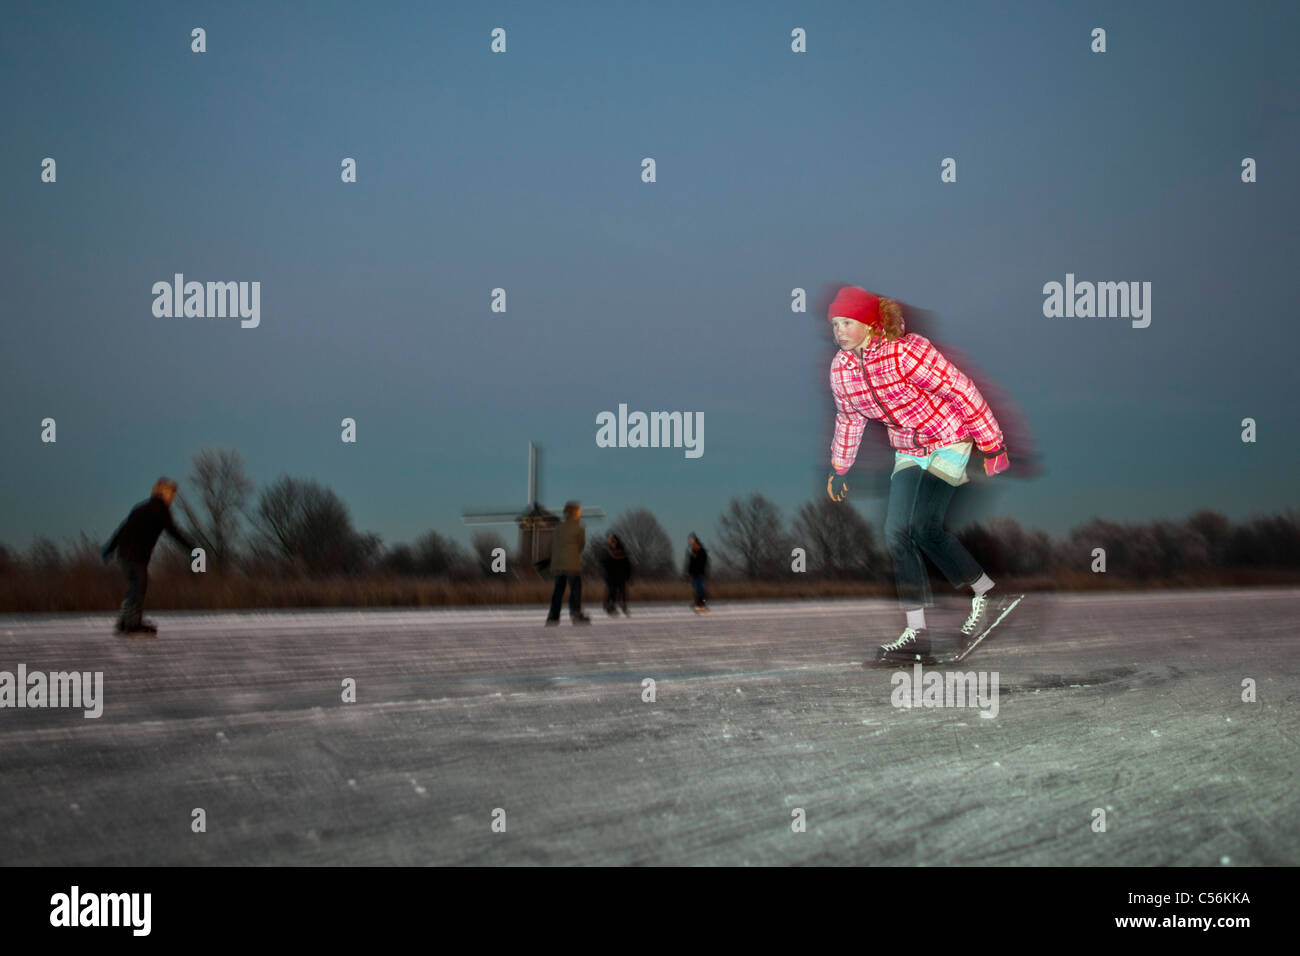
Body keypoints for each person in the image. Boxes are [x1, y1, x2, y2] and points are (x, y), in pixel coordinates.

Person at [825, 286, 1015, 665]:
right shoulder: (842, 371)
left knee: (924, 527)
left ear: (870, 323)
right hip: (909, 449)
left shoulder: (907, 351)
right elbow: (849, 420)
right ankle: (917, 636)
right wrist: (840, 468)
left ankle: (986, 594)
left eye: (848, 322)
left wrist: (992, 444)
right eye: (835, 324)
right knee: (897, 531)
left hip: (949, 439)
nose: (839, 331)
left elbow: (960, 389)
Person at [101, 477, 196, 635]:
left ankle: (125, 623)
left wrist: (110, 548)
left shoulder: (141, 508)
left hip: (124, 555)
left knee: (135, 587)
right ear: (164, 493)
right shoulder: (160, 509)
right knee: (139, 587)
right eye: (171, 494)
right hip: (136, 555)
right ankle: (131, 625)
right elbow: (173, 532)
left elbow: (121, 530)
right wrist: (192, 548)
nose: (172, 498)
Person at [546, 501, 591, 626]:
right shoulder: (579, 529)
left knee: (558, 590)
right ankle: (575, 613)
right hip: (572, 564)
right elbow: (581, 546)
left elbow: (552, 545)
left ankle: (553, 616)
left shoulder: (558, 528)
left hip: (558, 564)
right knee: (575, 589)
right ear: (575, 513)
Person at [600, 534, 632, 616]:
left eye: (614, 541)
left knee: (622, 592)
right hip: (610, 576)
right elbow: (603, 564)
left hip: (621, 576)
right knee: (611, 592)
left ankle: (623, 606)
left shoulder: (622, 551)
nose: (613, 543)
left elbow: (627, 565)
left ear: (617, 542)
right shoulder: (607, 552)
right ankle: (610, 607)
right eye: (611, 541)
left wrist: (628, 575)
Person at [685, 533, 709, 613]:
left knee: (700, 589)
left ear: (695, 541)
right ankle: (697, 603)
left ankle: (703, 604)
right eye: (690, 541)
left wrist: (697, 559)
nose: (690, 542)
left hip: (699, 573)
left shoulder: (701, 551)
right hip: (694, 573)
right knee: (695, 589)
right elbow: (691, 563)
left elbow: (703, 561)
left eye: (692, 540)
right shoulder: (692, 551)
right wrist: (689, 572)